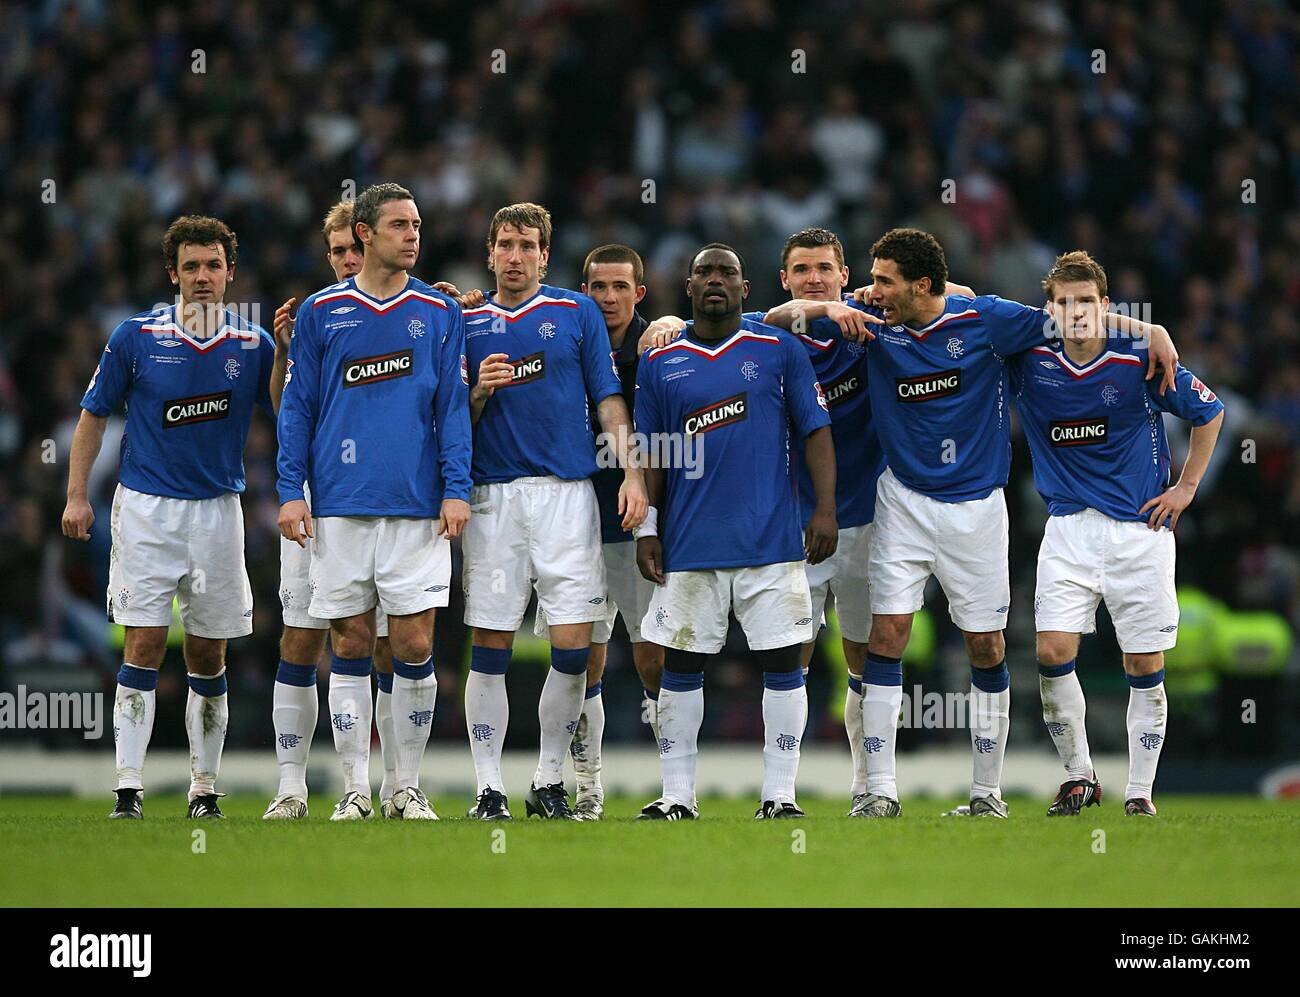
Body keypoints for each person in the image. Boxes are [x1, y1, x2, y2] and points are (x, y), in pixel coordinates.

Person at [771, 227, 1179, 818]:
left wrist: (1150, 330)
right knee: (886, 638)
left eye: (884, 280)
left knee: (986, 646)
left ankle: (987, 793)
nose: (870, 289)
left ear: (922, 285)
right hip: (902, 504)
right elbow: (760, 322)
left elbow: (1072, 319)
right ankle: (879, 790)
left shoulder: (985, 319)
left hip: (979, 509)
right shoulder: (867, 319)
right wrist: (821, 305)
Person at [62, 215, 278, 820]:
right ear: (172, 274)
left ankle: (203, 790)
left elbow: (287, 417)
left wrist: (285, 356)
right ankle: (127, 788)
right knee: (145, 645)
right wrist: (78, 495)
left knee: (209, 656)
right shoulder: (135, 336)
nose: (203, 277)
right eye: (191, 267)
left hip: (218, 512)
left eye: (213, 266)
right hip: (147, 511)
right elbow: (92, 415)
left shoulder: (253, 344)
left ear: (230, 273)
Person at [276, 183, 472, 821]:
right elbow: (298, 409)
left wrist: (456, 487)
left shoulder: (440, 314)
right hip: (338, 504)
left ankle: (406, 786)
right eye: (399, 225)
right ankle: (356, 789)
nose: (414, 235)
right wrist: (288, 492)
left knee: (414, 644)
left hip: (417, 506)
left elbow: (452, 411)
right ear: (365, 234)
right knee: (352, 640)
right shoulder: (321, 313)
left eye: (417, 224)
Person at [1009, 251, 1224, 817]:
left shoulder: (1141, 358)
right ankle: (1080, 776)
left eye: (1086, 301)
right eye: (1063, 302)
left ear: (1105, 306)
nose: (1075, 312)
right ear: (1049, 309)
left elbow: (1210, 414)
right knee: (1052, 652)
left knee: (1143, 665)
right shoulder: (1029, 358)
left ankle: (1140, 793)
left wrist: (1186, 488)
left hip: (1140, 531)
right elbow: (955, 299)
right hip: (1068, 530)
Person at [634, 244, 837, 820]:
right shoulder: (659, 363)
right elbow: (650, 451)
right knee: (680, 667)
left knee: (783, 664)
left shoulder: (779, 349)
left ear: (747, 291)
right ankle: (677, 797)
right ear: (689, 287)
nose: (715, 280)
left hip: (771, 543)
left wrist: (824, 510)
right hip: (690, 542)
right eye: (704, 272)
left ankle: (779, 796)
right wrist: (648, 525)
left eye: (727, 272)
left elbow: (816, 430)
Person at [462, 203, 646, 821]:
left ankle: (547, 781)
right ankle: (488, 788)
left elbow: (609, 400)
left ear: (545, 255)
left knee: (574, 645)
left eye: (527, 246)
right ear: (490, 253)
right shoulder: (461, 323)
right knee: (491, 643)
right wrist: (479, 392)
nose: (516, 257)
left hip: (569, 494)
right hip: (493, 497)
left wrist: (632, 473)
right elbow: (448, 427)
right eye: (505, 244)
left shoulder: (577, 312)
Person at [532, 244, 664, 820]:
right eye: (596, 287)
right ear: (581, 291)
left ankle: (675, 787)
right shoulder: (563, 342)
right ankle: (587, 789)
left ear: (639, 293)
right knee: (582, 660)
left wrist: (673, 322)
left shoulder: (660, 349)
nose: (607, 297)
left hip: (640, 528)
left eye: (618, 287)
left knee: (654, 659)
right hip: (573, 524)